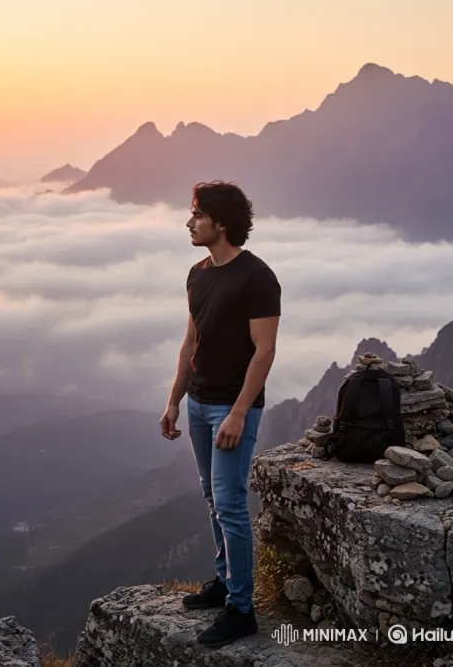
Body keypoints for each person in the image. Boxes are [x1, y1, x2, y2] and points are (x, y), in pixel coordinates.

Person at [160, 180, 281, 648]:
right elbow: (190, 342)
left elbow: (264, 352)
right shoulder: (198, 273)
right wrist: (174, 400)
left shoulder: (258, 277)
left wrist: (238, 413)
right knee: (213, 497)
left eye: (196, 214)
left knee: (230, 506)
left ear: (221, 222)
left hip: (233, 410)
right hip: (197, 404)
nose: (189, 222)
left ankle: (242, 609)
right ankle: (224, 580)